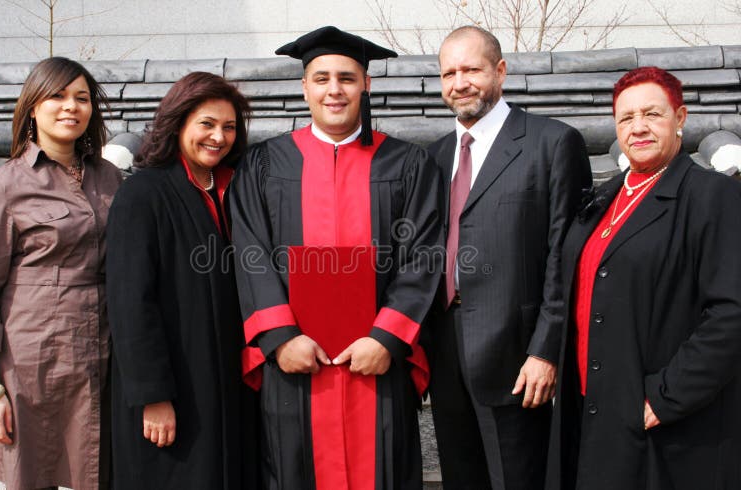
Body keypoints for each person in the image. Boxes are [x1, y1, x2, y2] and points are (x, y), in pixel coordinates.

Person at [229, 26, 443, 490]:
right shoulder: (265, 164)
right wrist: (281, 339)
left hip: (378, 365)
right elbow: (250, 254)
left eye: (346, 78)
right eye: (321, 78)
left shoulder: (408, 164)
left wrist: (386, 339)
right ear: (304, 86)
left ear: (366, 84)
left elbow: (423, 256)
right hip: (294, 364)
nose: (334, 90)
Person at [545, 66, 741, 490]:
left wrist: (666, 397)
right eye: (626, 118)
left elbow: (731, 313)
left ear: (680, 117)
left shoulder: (713, 195)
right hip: (592, 408)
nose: (638, 128)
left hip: (663, 419)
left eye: (652, 114)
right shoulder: (605, 196)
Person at [425, 26, 592, 490]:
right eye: (449, 73)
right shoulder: (434, 157)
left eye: (472, 69)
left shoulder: (552, 143)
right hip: (446, 350)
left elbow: (566, 256)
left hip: (517, 355)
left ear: (500, 71)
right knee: (461, 478)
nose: (460, 83)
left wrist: (545, 350)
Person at [0, 56, 122, 490]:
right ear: (33, 106)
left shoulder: (110, 178)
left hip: (103, 358)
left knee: (103, 474)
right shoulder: (3, 186)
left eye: (82, 98)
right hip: (32, 366)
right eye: (58, 96)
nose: (71, 106)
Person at [105, 72, 257, 489]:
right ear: (178, 123)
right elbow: (130, 302)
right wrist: (153, 395)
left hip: (227, 382)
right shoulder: (143, 194)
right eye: (206, 124)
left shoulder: (237, 190)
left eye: (229, 127)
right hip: (171, 386)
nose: (218, 137)